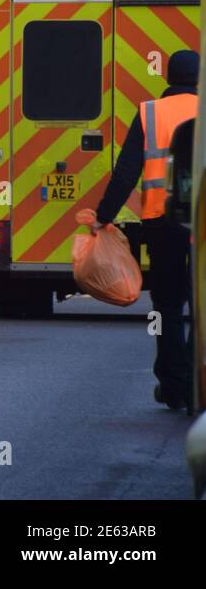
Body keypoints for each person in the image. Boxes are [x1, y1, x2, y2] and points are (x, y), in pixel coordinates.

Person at [94, 49, 198, 411]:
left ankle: (174, 383)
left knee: (168, 305)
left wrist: (104, 215)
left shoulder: (150, 113)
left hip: (163, 222)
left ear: (169, 77)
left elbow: (126, 171)